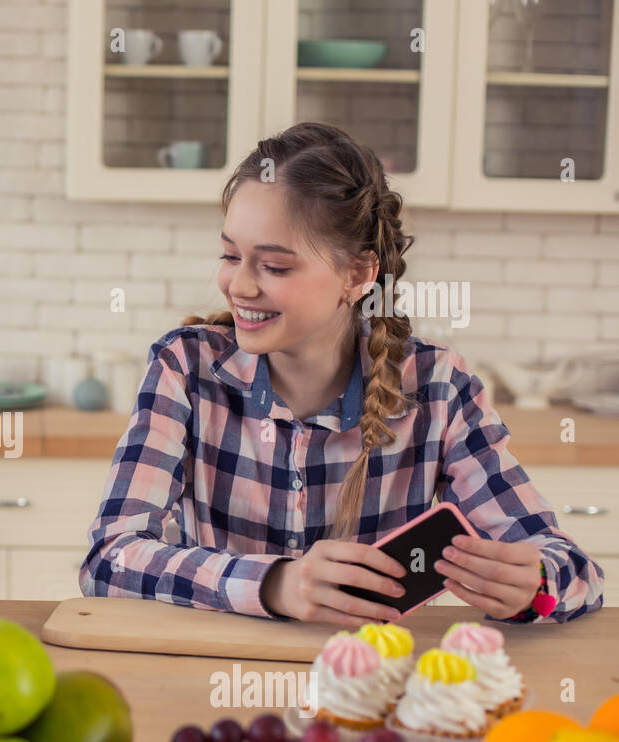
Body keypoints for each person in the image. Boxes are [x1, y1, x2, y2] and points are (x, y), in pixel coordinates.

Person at [79, 121, 602, 626]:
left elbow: (576, 572)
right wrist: (276, 584)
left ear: (357, 275)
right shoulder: (186, 368)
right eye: (230, 254)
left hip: (374, 687)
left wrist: (534, 584)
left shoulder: (438, 387)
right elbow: (109, 559)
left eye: (275, 266)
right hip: (213, 675)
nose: (238, 285)